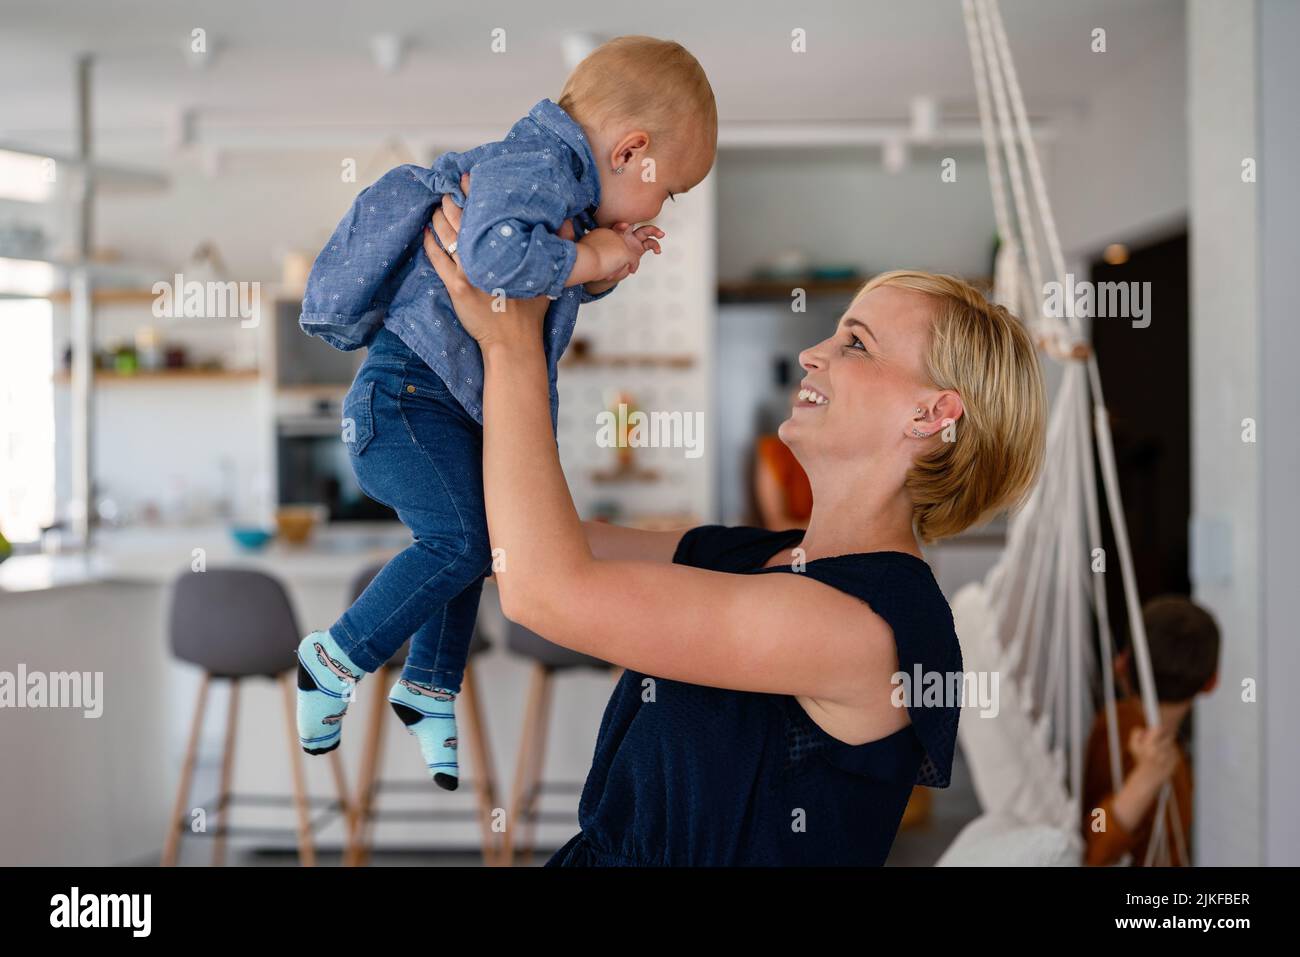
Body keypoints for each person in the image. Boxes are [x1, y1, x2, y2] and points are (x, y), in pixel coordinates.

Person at [425, 197, 1048, 864]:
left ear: (930, 413)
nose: (813, 353)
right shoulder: (757, 556)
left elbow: (541, 589)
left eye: (855, 342)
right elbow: (520, 539)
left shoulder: (868, 628)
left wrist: (509, 342)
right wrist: (524, 308)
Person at [291, 36, 717, 790]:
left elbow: (531, 284)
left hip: (439, 407)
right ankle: (334, 657)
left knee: (486, 542)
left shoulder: (554, 186)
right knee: (462, 540)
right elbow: (492, 263)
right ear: (632, 151)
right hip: (406, 401)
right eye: (670, 190)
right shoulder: (535, 167)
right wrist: (588, 260)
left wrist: (602, 263)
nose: (664, 208)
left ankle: (427, 687)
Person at [1081, 595, 1221, 866]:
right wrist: (1143, 782)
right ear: (1212, 683)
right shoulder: (1127, 740)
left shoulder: (1110, 726)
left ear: (1123, 664)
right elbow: (1093, 850)